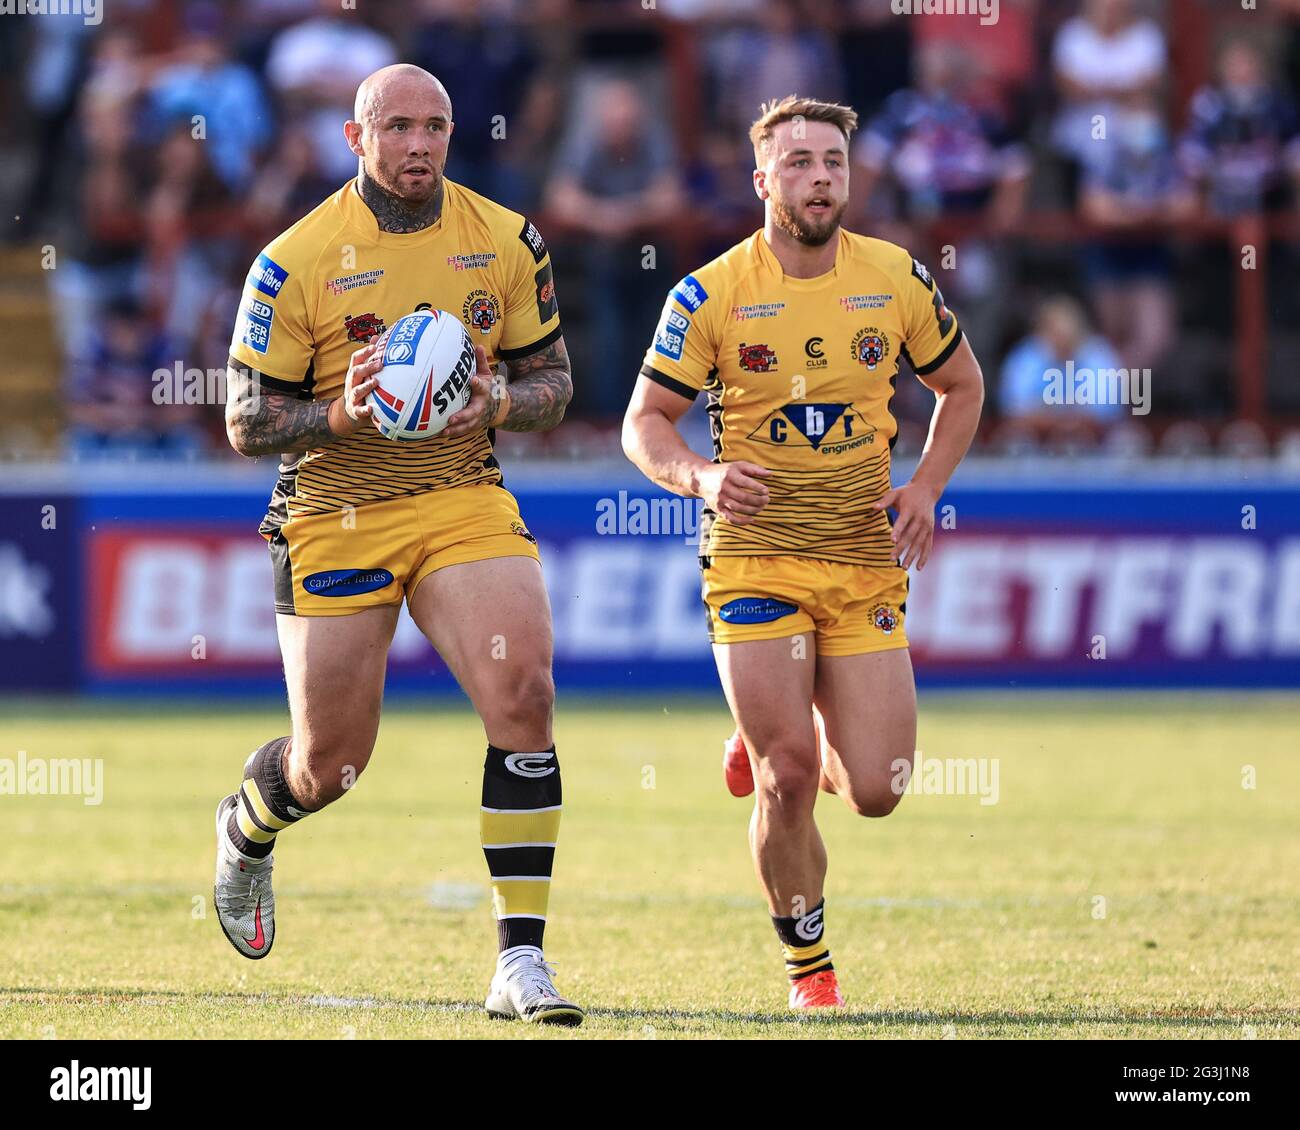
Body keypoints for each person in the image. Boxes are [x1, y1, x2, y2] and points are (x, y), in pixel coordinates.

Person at [215, 64, 583, 1025]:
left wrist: (496, 398)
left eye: (435, 127)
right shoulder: (297, 259)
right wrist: (342, 411)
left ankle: (520, 965)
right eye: (397, 128)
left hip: (461, 494)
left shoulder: (506, 239)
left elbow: (553, 381)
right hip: (335, 507)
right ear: (356, 138)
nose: (418, 145)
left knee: (526, 696)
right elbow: (247, 422)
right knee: (329, 765)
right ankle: (249, 830)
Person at [622, 96, 984, 1009]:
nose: (820, 176)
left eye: (833, 161)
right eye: (798, 163)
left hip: (863, 560)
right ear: (761, 181)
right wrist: (701, 479)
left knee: (878, 789)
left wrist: (927, 486)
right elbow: (645, 424)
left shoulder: (894, 278)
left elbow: (962, 384)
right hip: (754, 561)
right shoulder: (708, 294)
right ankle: (808, 966)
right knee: (786, 777)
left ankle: (782, 724)